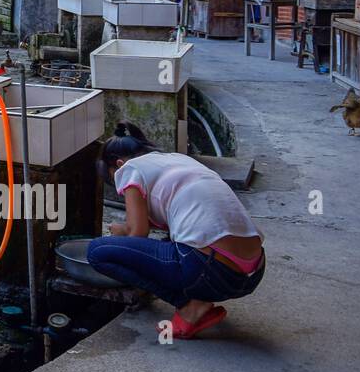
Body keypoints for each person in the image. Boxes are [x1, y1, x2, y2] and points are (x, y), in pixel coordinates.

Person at [87, 122, 265, 339]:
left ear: (118, 164)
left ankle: (190, 306)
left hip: (211, 270)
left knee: (97, 251)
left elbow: (138, 234)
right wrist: (126, 229)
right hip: (251, 273)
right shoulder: (179, 160)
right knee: (164, 245)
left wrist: (121, 232)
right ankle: (199, 300)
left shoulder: (129, 169)